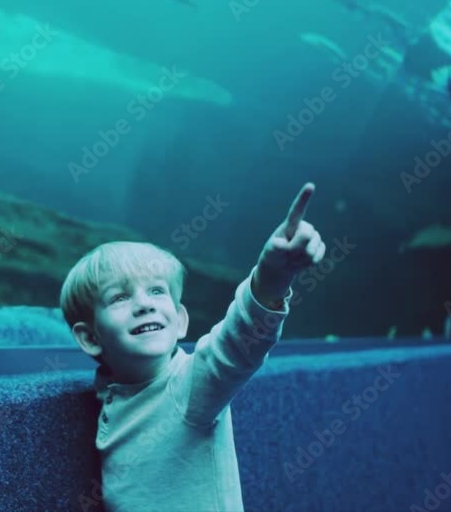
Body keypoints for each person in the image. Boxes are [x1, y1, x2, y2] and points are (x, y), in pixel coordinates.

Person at [60, 182, 325, 512]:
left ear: (180, 321)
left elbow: (237, 345)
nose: (144, 304)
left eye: (157, 291)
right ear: (90, 339)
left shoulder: (188, 386)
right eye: (120, 297)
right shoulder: (113, 391)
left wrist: (272, 278)